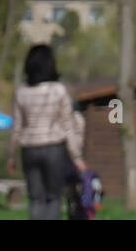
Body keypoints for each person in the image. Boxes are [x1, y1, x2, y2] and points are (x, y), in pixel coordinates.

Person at [7, 44, 86, 220]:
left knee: (36, 199)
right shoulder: (58, 90)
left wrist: (11, 156)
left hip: (29, 149)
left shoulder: (21, 91)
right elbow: (68, 126)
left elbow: (17, 127)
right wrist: (77, 157)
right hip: (54, 148)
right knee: (53, 198)